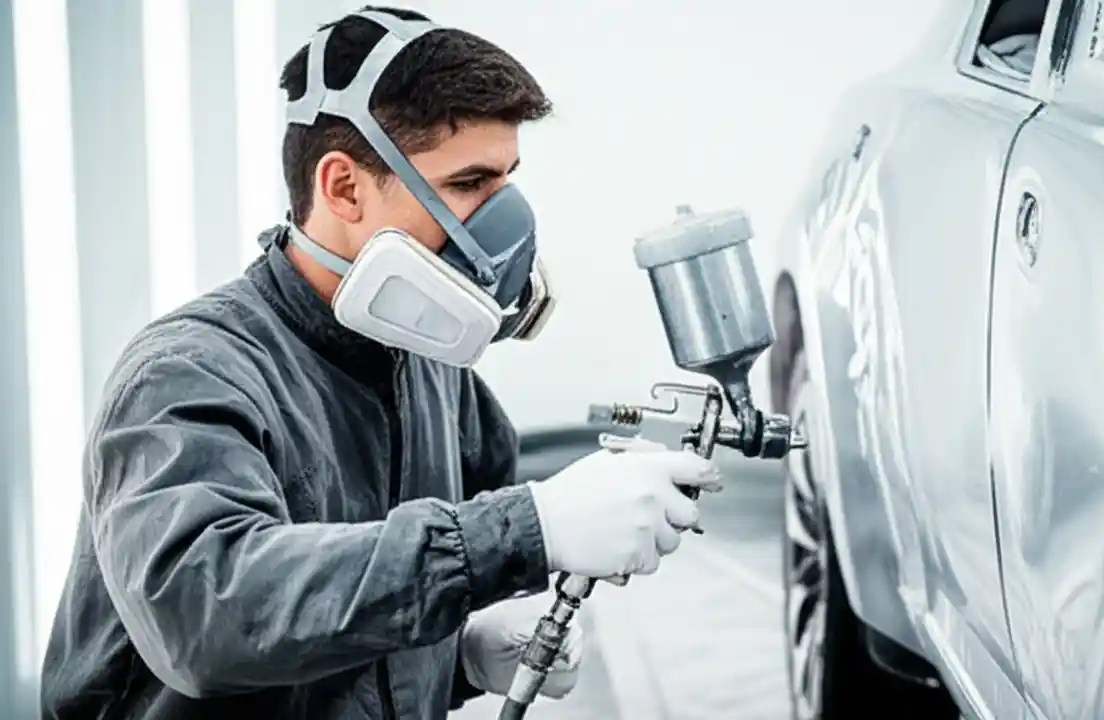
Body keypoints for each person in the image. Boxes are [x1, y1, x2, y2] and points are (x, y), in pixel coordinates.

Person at [39, 6, 721, 719]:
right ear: (343, 187)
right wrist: (528, 527)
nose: (505, 226)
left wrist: (454, 657)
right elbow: (208, 616)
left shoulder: (431, 373)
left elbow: (362, 607)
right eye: (469, 184)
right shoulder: (187, 373)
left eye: (506, 180)